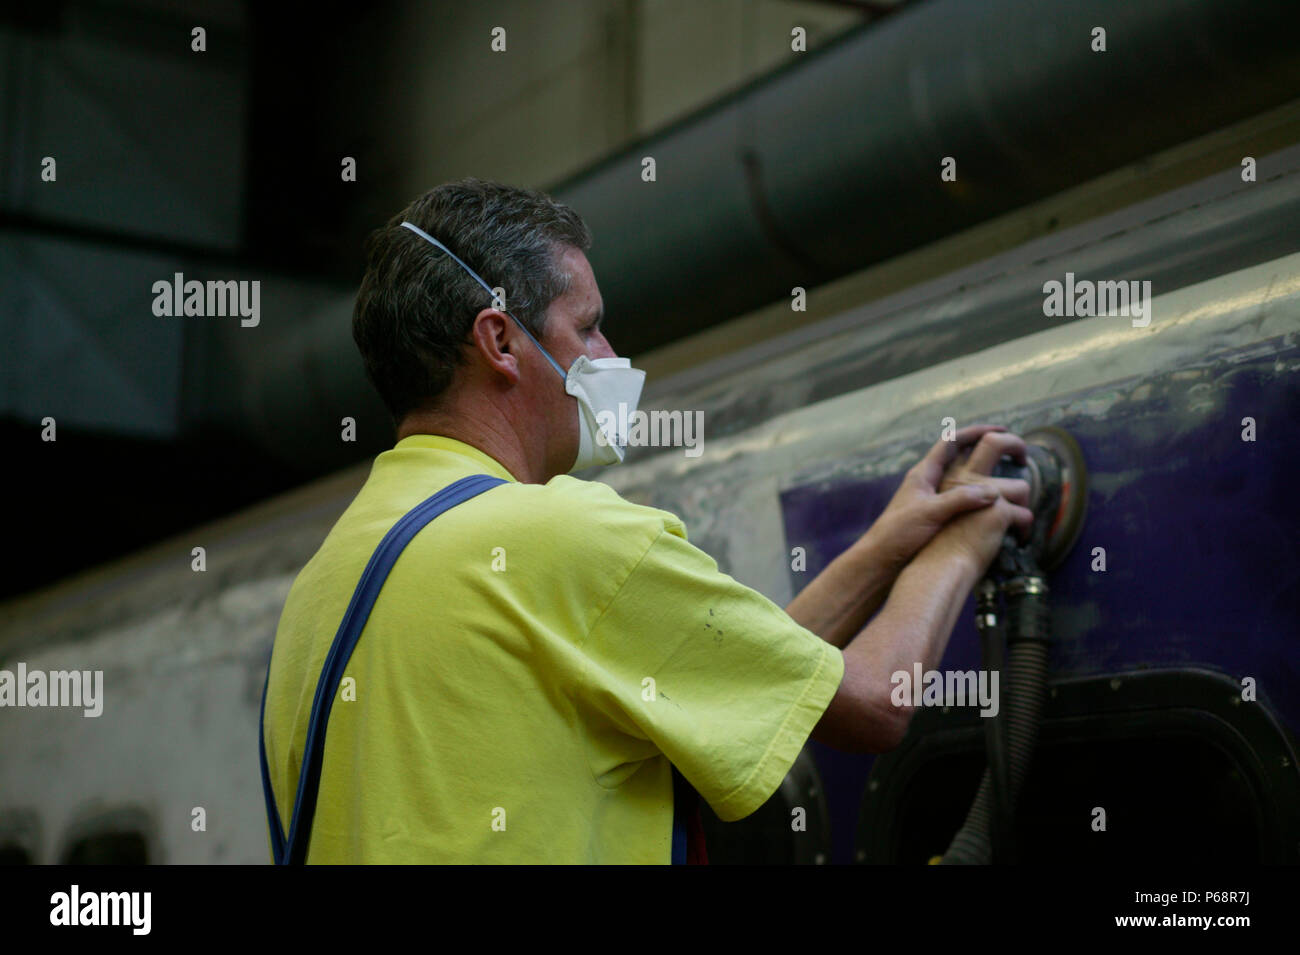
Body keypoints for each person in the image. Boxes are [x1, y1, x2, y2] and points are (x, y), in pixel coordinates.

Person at [260, 177, 1033, 864]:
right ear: (500, 340)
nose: (612, 353)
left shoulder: (321, 591)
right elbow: (875, 701)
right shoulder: (559, 533)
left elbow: (739, 670)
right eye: (587, 326)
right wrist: (960, 545)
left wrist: (885, 547)